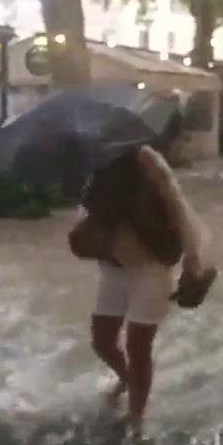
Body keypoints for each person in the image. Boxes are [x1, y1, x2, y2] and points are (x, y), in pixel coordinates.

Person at [78, 145, 208, 429]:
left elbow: (176, 204)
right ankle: (128, 380)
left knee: (138, 346)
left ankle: (136, 417)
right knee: (102, 341)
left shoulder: (146, 160)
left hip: (151, 268)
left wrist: (192, 256)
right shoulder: (93, 161)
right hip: (113, 266)